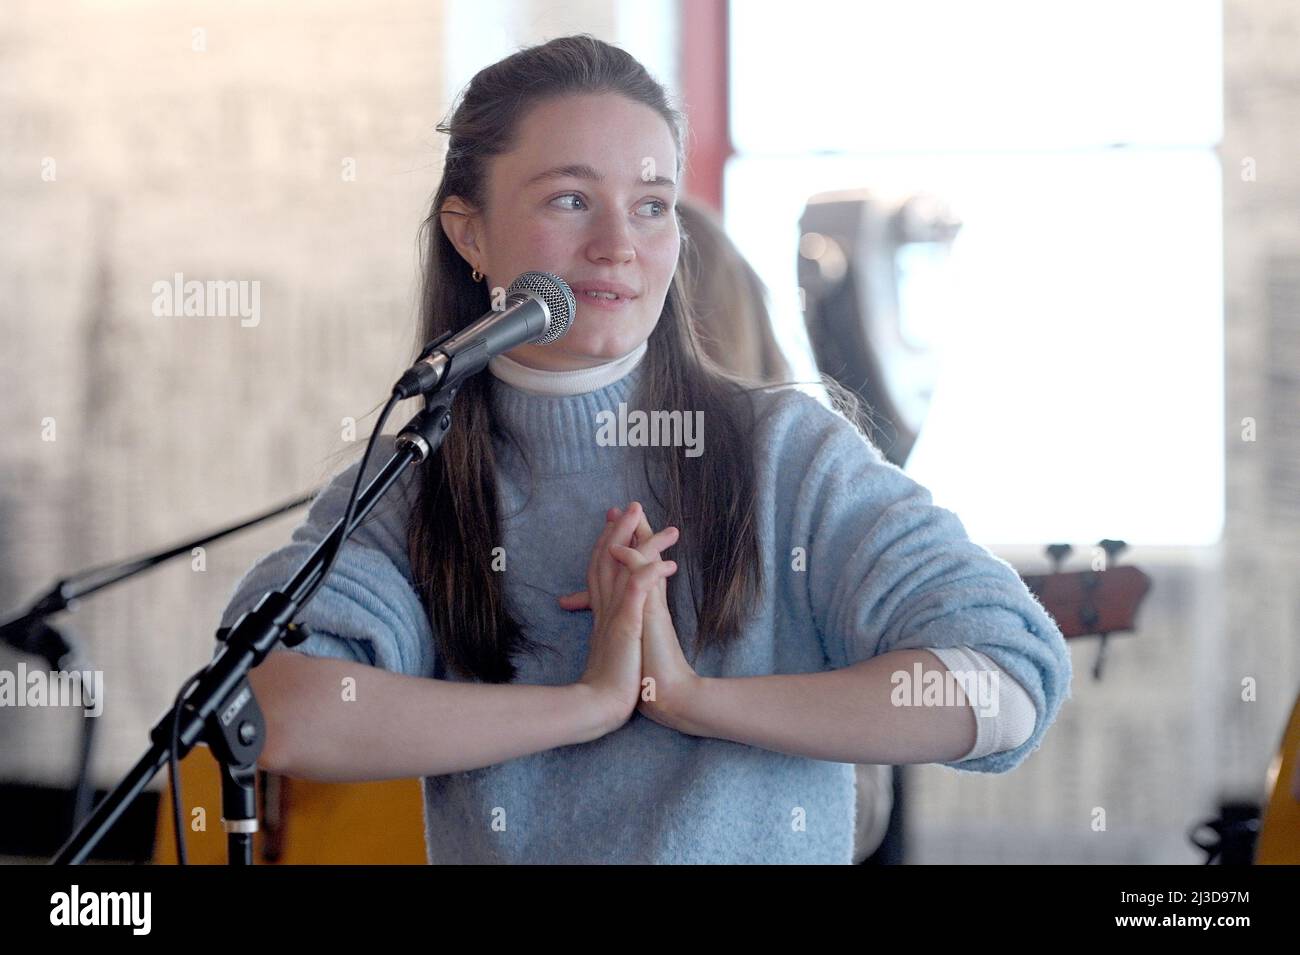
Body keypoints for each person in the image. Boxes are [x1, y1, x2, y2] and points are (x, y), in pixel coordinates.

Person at [218, 34, 1071, 864]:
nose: (619, 245)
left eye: (652, 204)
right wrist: (587, 704)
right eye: (569, 199)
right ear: (469, 233)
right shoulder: (415, 482)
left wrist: (692, 698)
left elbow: (1007, 686)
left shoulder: (786, 453)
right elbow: (273, 704)